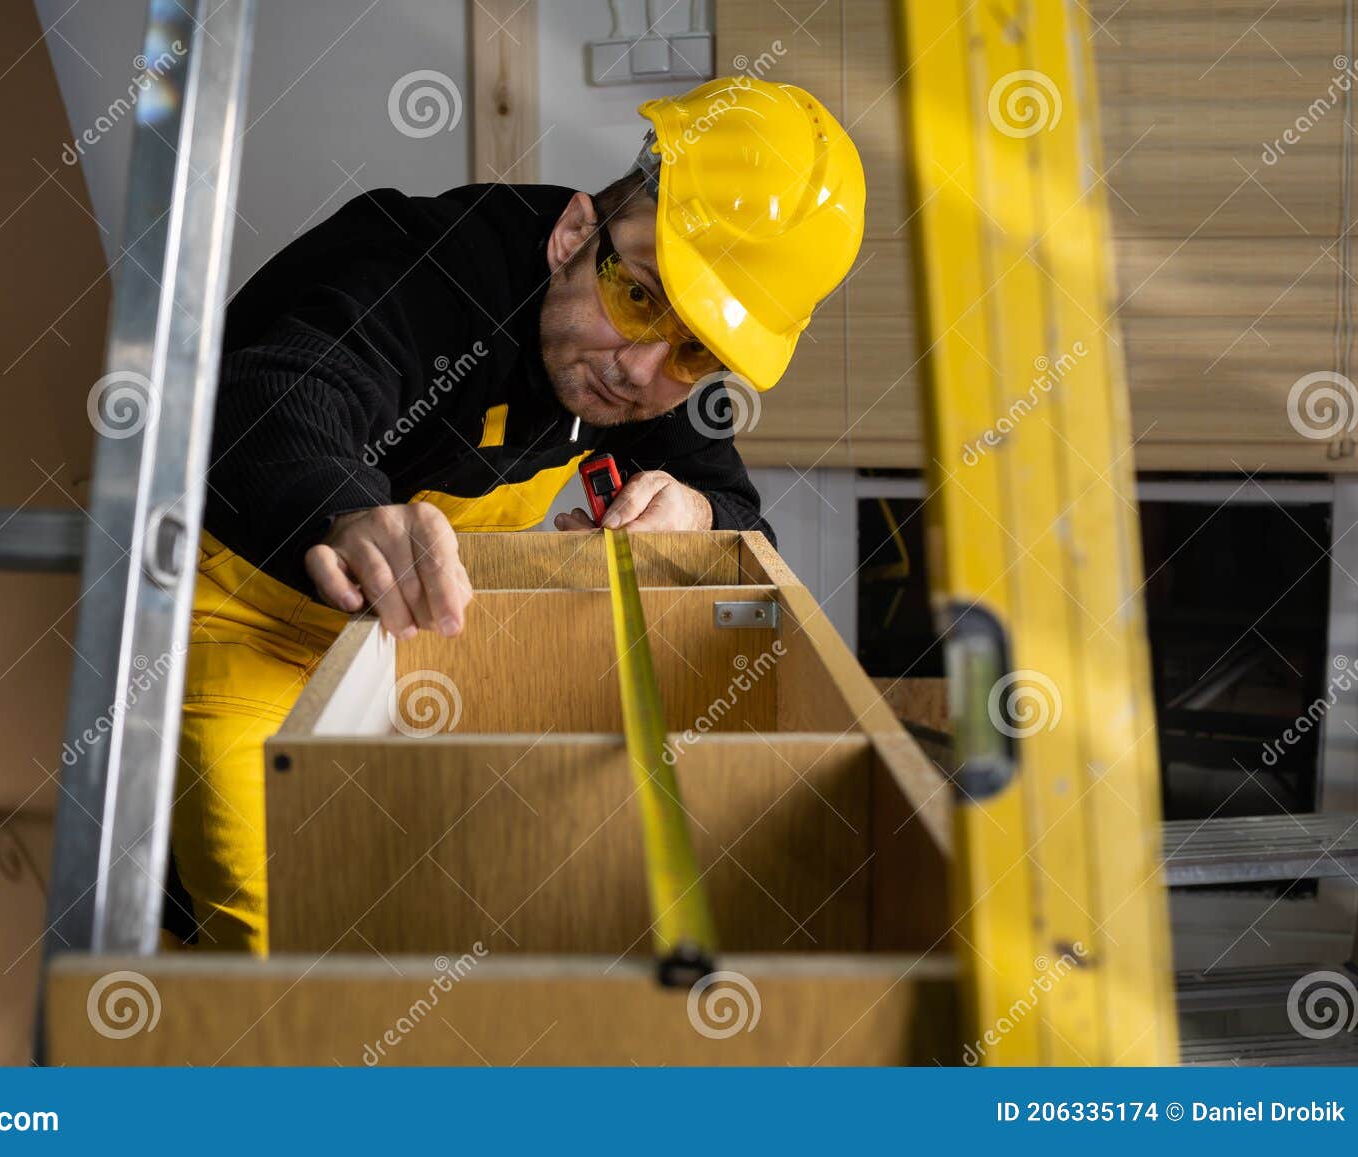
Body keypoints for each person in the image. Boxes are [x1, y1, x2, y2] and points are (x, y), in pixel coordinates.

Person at [172, 76, 866, 951]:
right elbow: (280, 395)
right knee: (286, 950)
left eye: (695, 351)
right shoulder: (428, 269)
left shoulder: (655, 364)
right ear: (575, 233)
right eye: (638, 299)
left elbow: (743, 530)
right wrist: (347, 512)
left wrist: (691, 511)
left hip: (404, 640)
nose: (641, 368)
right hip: (243, 611)